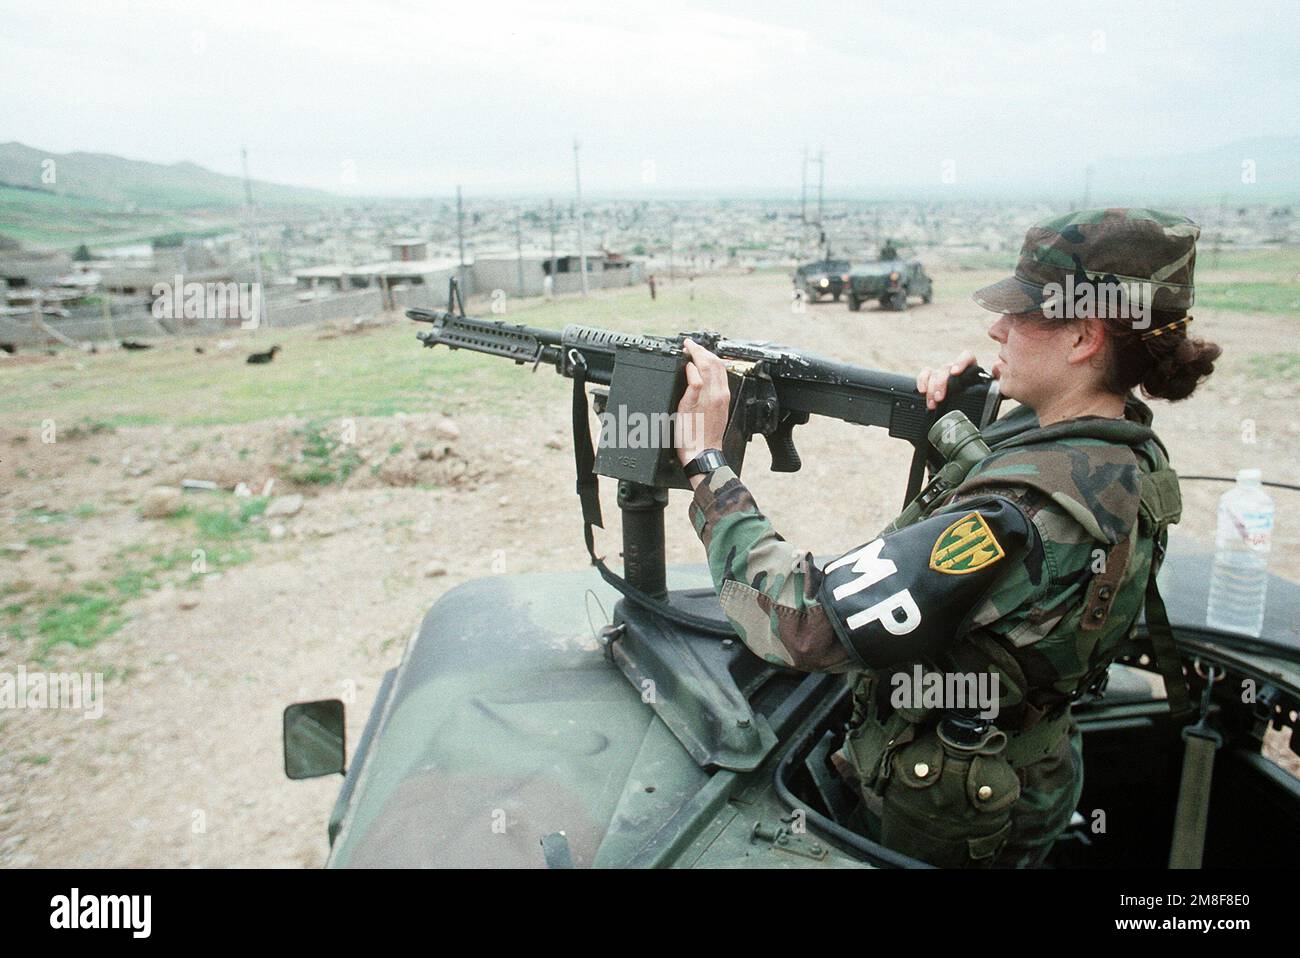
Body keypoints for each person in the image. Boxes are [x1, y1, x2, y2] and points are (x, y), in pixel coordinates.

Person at [674, 209, 1222, 867]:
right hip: (1029, 770)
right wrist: (980, 414)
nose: (997, 327)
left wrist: (708, 465)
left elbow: (803, 622)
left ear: (1082, 337)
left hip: (943, 817)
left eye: (1022, 314)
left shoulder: (1015, 513)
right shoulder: (1130, 447)